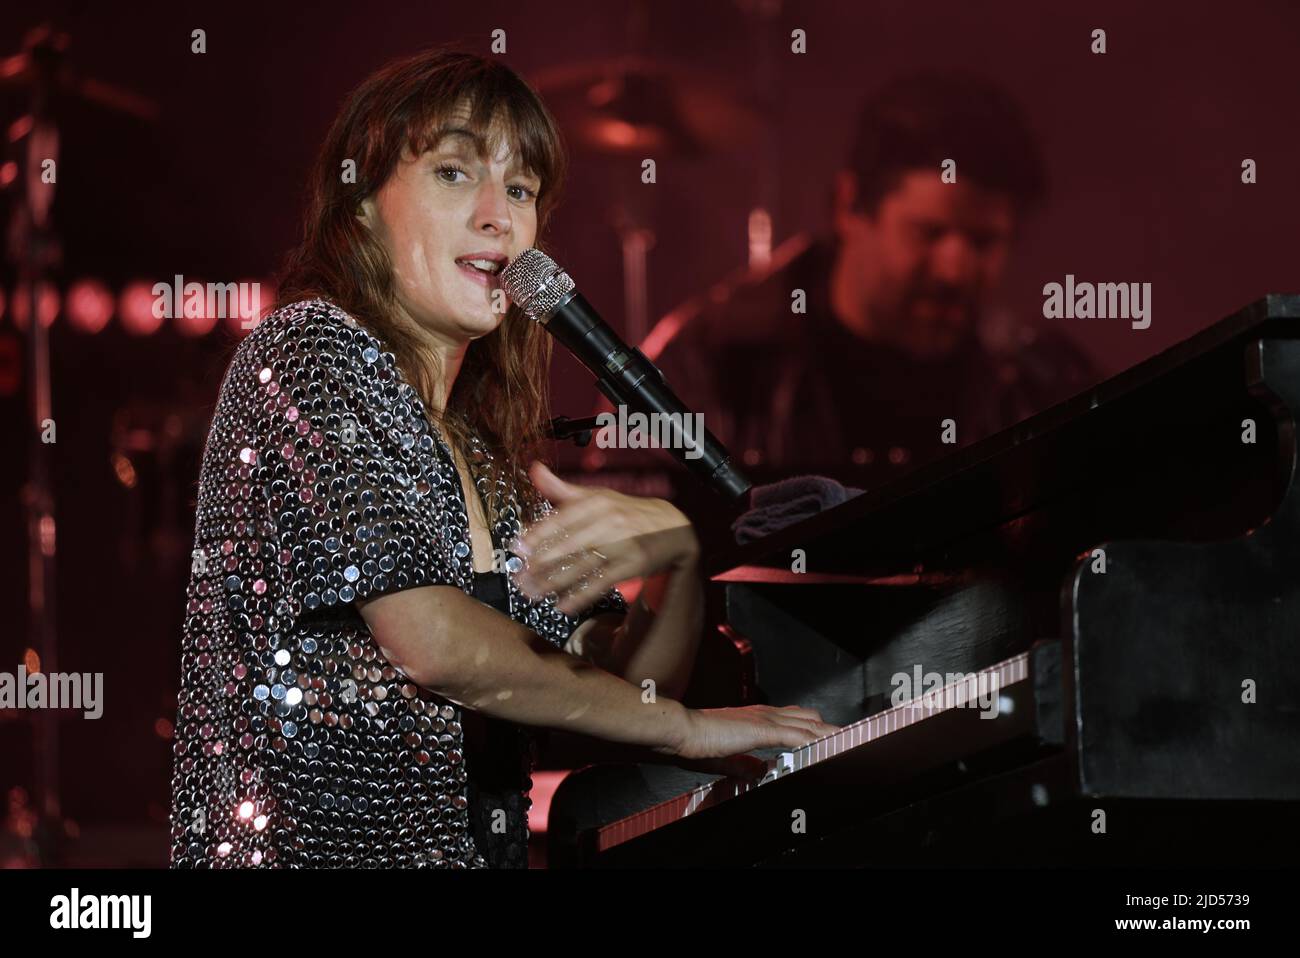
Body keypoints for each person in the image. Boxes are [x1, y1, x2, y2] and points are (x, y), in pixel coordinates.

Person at [167, 48, 837, 870]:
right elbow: (436, 641)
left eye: (520, 190)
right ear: (363, 209)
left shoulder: (479, 461)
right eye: (455, 175)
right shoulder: (313, 350)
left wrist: (677, 559)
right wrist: (689, 730)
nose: (500, 217)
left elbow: (613, 682)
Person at [651, 70, 1100, 485]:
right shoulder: (709, 364)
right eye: (930, 232)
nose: (955, 270)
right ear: (849, 206)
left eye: (984, 242)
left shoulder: (1041, 377)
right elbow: (619, 553)